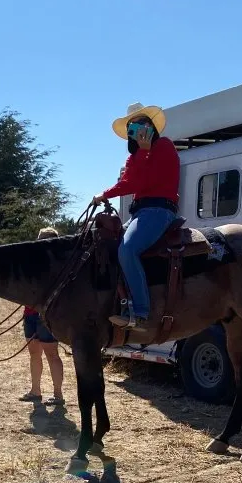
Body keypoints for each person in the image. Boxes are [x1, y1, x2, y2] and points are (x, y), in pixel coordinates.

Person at [93, 101, 181, 331]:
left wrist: (144, 151)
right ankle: (120, 301)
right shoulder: (135, 157)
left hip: (159, 210)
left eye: (142, 123)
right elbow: (128, 183)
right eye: (132, 126)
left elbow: (141, 182)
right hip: (141, 211)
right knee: (110, 247)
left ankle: (141, 311)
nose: (138, 128)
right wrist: (105, 194)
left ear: (151, 126)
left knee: (128, 249)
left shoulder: (164, 147)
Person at [21, 227, 65, 405]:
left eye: (45, 240)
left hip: (48, 316)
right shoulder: (31, 263)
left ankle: (58, 394)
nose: (41, 244)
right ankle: (35, 391)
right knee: (34, 354)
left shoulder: (60, 266)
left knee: (52, 354)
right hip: (30, 313)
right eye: (40, 240)